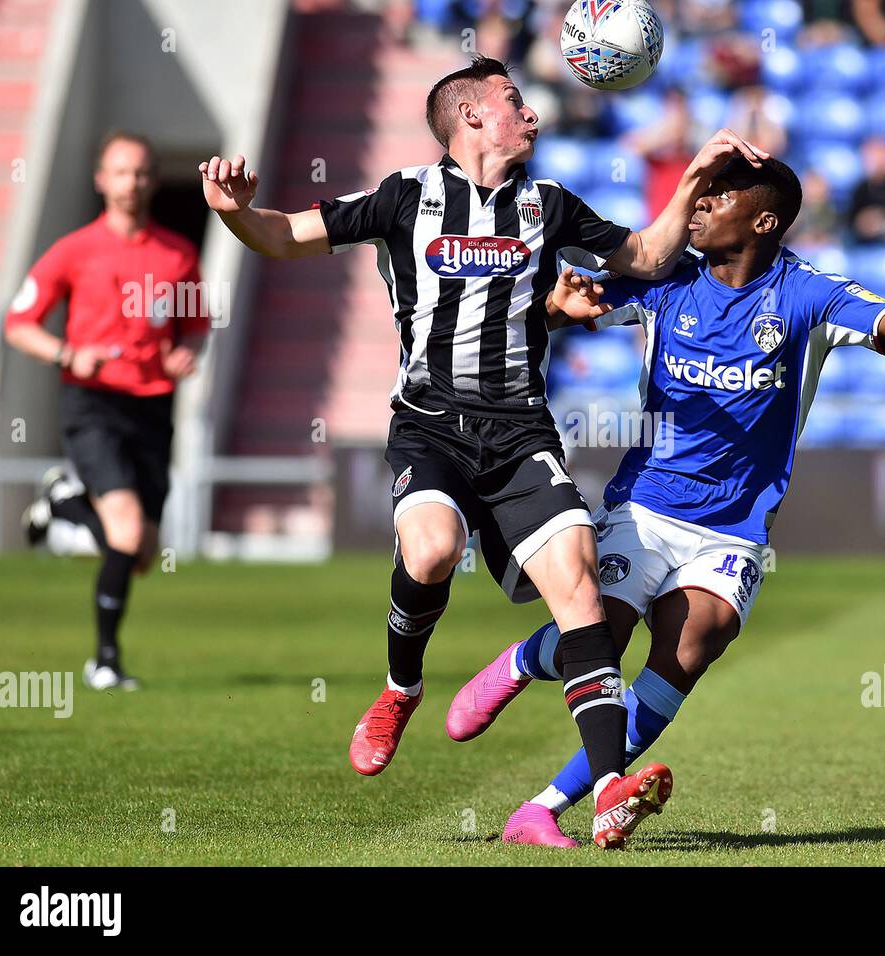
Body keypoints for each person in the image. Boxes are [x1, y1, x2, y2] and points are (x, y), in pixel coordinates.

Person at [198, 55, 768, 849]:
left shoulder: (549, 205)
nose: (530, 114)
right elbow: (285, 235)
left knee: (580, 592)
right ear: (469, 117)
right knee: (432, 551)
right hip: (429, 424)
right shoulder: (405, 195)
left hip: (520, 431)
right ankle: (401, 689)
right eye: (514, 102)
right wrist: (232, 211)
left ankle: (607, 789)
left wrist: (694, 174)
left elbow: (643, 257)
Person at [444, 157, 885, 847]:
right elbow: (562, 311)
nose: (700, 204)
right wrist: (560, 306)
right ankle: (521, 663)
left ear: (763, 221)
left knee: (694, 642)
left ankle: (543, 810)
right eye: (702, 193)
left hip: (734, 527)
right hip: (646, 507)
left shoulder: (807, 295)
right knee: (604, 635)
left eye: (720, 195)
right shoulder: (666, 278)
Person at [6, 131, 211, 690]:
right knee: (122, 533)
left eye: (142, 172)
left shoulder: (178, 252)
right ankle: (105, 661)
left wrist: (186, 355)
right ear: (101, 179)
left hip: (152, 408)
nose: (133, 182)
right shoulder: (73, 250)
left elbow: (195, 327)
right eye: (121, 172)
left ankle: (63, 505)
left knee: (141, 553)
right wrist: (69, 353)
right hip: (92, 402)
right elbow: (19, 323)